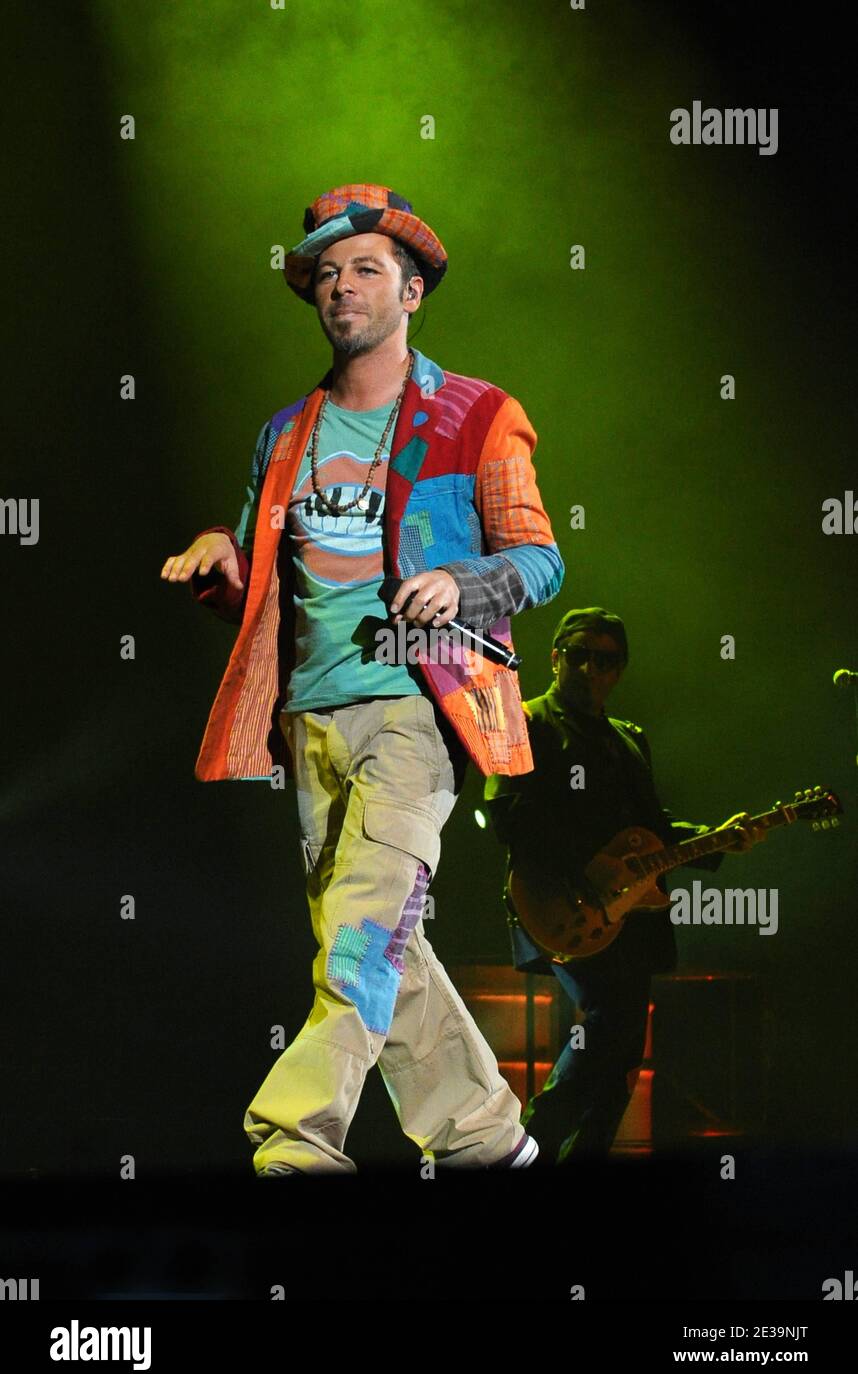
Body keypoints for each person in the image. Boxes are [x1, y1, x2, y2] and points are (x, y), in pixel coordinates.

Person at [160, 184, 565, 1174]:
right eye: (327, 274)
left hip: (416, 709)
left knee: (359, 935)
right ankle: (487, 1140)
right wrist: (224, 563)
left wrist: (465, 580)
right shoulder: (286, 433)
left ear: (412, 289)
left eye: (366, 269)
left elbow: (542, 559)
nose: (341, 287)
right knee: (379, 943)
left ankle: (293, 1142)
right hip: (307, 718)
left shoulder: (478, 414)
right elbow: (266, 592)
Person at [484, 606, 766, 1165]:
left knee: (623, 1054)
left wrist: (717, 839)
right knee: (611, 1023)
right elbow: (505, 813)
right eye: (582, 655)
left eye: (607, 660)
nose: (593, 669)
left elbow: (653, 830)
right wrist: (592, 864)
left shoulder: (629, 739)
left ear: (620, 670)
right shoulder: (526, 720)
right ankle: (527, 1147)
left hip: (629, 913)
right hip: (561, 901)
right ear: (556, 658)